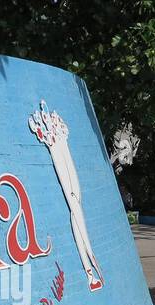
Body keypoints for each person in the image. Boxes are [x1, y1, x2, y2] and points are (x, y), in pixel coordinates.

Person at [28, 100, 104, 291]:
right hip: (56, 146)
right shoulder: (55, 143)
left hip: (59, 145)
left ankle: (90, 270)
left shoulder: (60, 139)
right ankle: (90, 271)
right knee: (75, 207)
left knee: (75, 205)